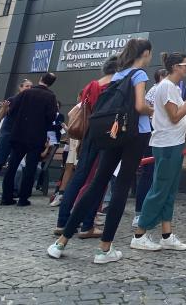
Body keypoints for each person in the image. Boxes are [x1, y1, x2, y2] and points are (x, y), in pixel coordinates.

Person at [48, 38, 154, 265]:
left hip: (112, 132)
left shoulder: (118, 75)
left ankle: (61, 242)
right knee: (121, 188)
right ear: (145, 53)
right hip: (135, 134)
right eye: (149, 54)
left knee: (97, 183)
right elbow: (139, 106)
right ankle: (104, 249)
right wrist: (153, 110)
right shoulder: (139, 74)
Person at [131, 52, 186, 252]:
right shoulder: (167, 87)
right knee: (160, 189)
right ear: (175, 67)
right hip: (167, 144)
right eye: (185, 65)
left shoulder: (169, 87)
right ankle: (140, 234)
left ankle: (166, 233)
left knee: (169, 189)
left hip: (172, 143)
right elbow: (175, 116)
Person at [55, 56, 118, 239]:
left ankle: (62, 221)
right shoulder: (115, 86)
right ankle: (87, 225)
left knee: (78, 177)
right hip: (106, 135)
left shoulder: (92, 85)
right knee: (99, 180)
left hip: (89, 135)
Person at [1, 73, 60, 206]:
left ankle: (6, 197)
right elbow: (51, 117)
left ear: (40, 80)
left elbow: (12, 111)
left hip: (19, 134)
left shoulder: (25, 93)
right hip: (36, 136)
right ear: (51, 84)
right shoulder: (51, 97)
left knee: (13, 166)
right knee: (31, 167)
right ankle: (23, 198)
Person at [0, 79, 33, 199]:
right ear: (20, 88)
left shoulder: (31, 102)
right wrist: (4, 108)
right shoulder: (12, 100)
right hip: (7, 134)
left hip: (20, 136)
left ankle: (10, 191)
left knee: (15, 163)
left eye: (31, 87)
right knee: (0, 161)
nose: (29, 89)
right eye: (27, 86)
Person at [132, 68, 169, 226]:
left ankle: (150, 211)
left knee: (156, 174)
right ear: (161, 77)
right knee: (149, 172)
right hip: (153, 133)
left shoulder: (163, 89)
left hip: (159, 133)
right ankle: (139, 213)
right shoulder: (157, 90)